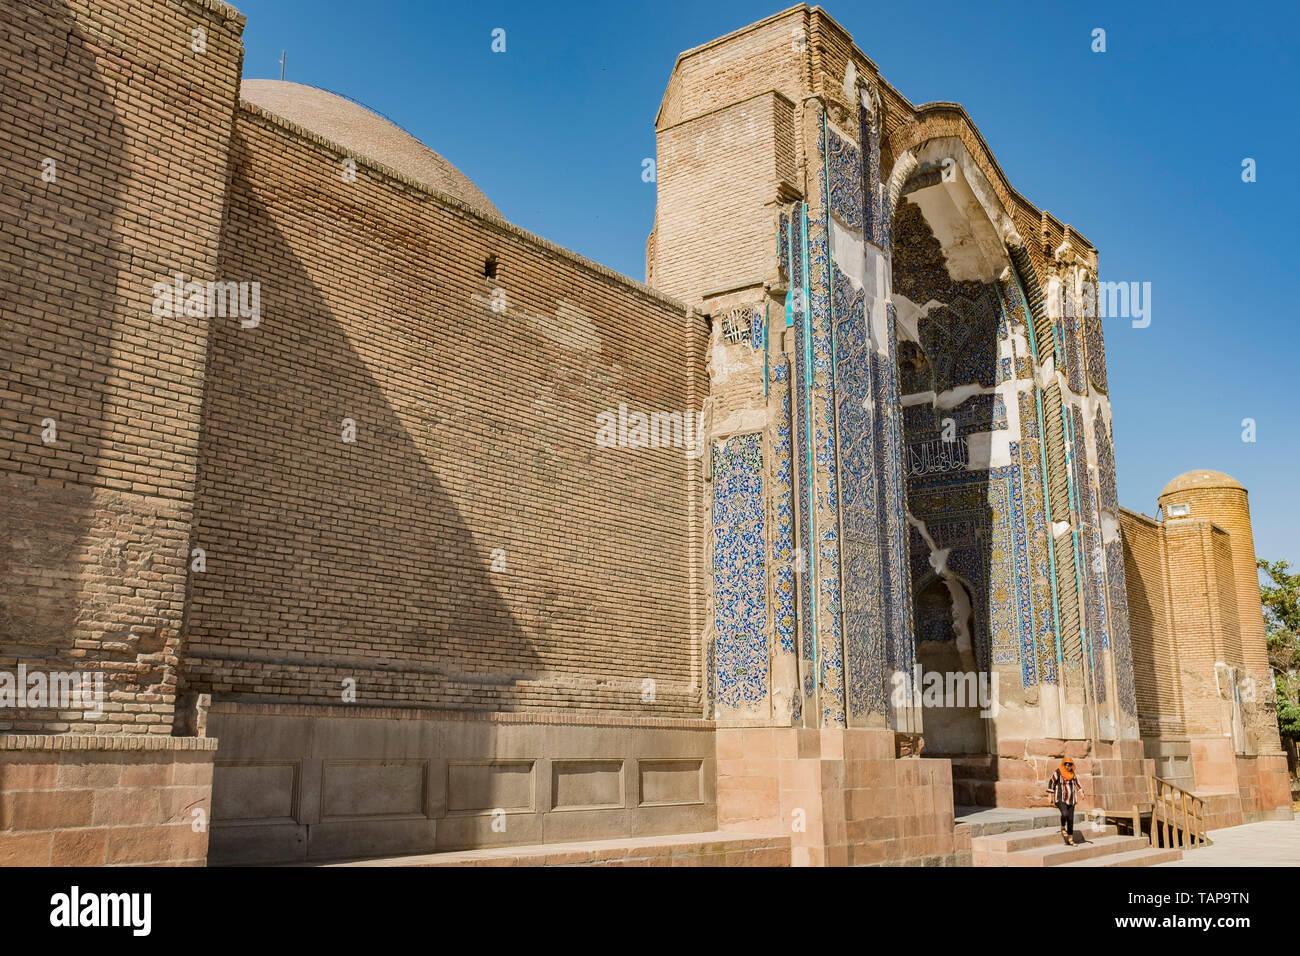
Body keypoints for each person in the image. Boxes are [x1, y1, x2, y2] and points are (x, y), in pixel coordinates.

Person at [1046, 758, 1084, 845]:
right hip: (1060, 798)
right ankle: (1063, 827)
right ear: (1063, 764)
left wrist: (1081, 791)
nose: (1068, 766)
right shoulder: (1058, 772)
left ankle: (1070, 839)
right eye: (1066, 764)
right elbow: (1051, 782)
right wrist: (1050, 795)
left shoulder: (1072, 774)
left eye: (1070, 765)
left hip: (1071, 799)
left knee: (1070, 819)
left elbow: (1077, 783)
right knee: (1065, 814)